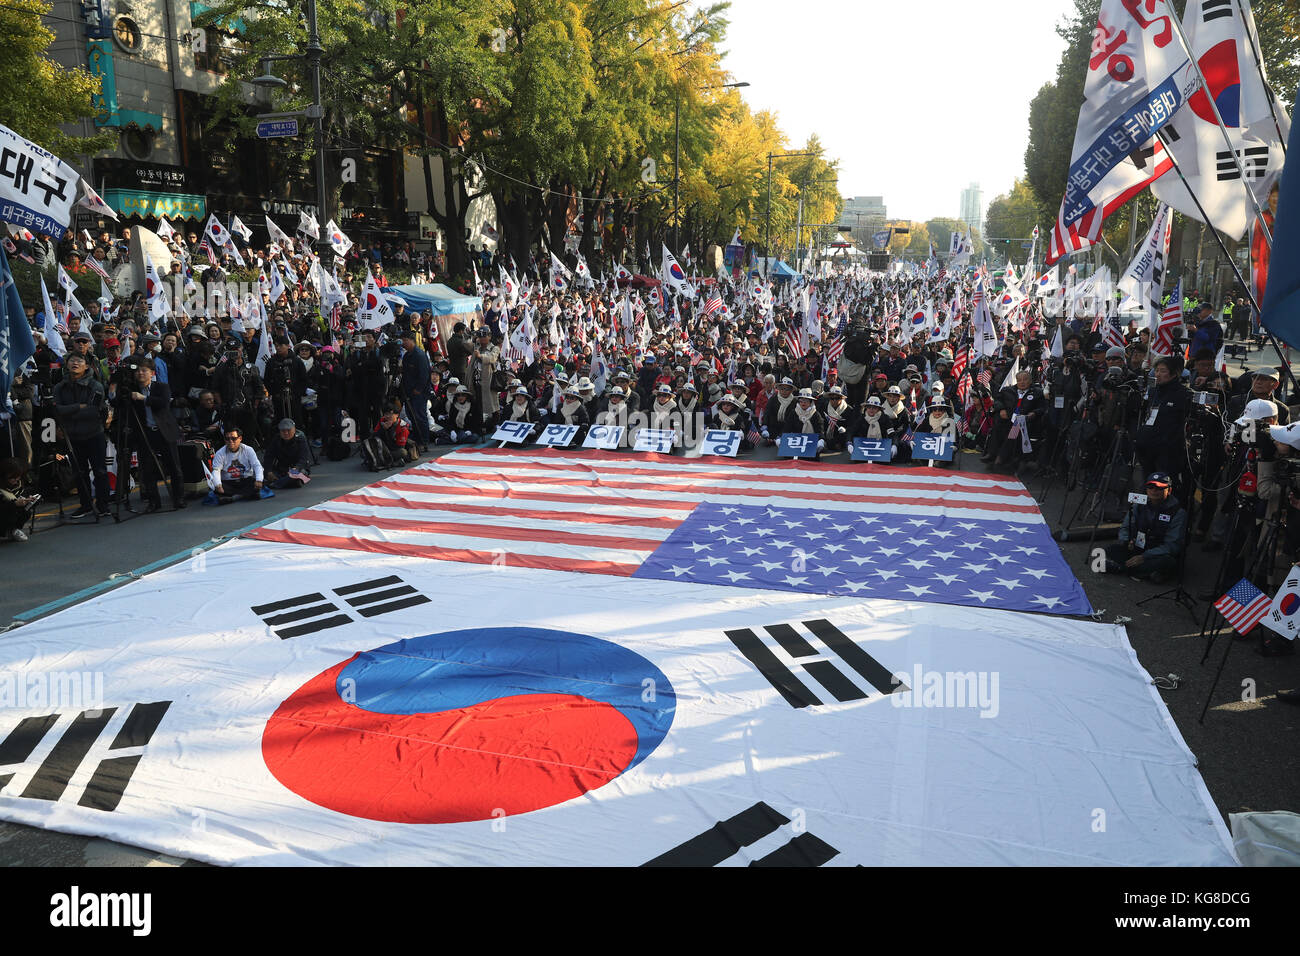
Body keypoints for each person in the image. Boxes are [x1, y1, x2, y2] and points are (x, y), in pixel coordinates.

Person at [119, 359, 186, 512]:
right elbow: (119, 403)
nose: (140, 373)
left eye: (144, 370)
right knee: (147, 469)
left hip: (164, 431)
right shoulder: (132, 390)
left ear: (152, 373)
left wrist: (144, 398)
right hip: (145, 432)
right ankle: (154, 502)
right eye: (138, 371)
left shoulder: (161, 387)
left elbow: (162, 403)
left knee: (174, 466)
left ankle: (179, 498)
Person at [52, 353, 112, 519]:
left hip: (94, 434)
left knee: (100, 471)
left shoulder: (95, 385)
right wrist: (79, 406)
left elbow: (93, 411)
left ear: (86, 366)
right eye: (72, 360)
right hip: (73, 437)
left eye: (79, 361)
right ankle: (85, 505)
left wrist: (69, 411)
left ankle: (103, 504)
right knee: (79, 472)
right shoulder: (59, 387)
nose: (75, 363)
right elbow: (57, 410)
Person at [1104, 473, 1187, 584]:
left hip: (1157, 553)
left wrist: (1144, 557)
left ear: (1169, 490)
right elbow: (1125, 527)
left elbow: (1172, 545)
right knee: (1111, 549)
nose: (1154, 490)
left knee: (1168, 562)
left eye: (1159, 487)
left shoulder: (1178, 512)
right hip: (1137, 548)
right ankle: (1145, 572)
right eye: (1151, 487)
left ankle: (1121, 568)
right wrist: (1127, 540)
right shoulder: (1138, 504)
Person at [210, 427, 264, 503]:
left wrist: (259, 480)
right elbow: (216, 470)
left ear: (240, 438)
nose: (230, 441)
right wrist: (218, 484)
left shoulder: (248, 450)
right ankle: (243, 495)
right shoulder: (220, 453)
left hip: (245, 481)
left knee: (257, 484)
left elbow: (257, 465)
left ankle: (233, 498)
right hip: (228, 483)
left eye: (233, 438)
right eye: (227, 439)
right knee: (215, 488)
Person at [400, 328, 432, 449]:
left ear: (412, 340)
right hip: (408, 391)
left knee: (420, 416)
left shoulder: (419, 355)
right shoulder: (407, 356)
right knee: (411, 415)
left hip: (419, 392)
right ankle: (417, 438)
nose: (403, 343)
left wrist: (418, 389)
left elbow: (424, 375)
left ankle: (424, 440)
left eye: (405, 340)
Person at [264, 419, 313, 489]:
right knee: (263, 471)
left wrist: (296, 468)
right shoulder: (276, 438)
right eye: (283, 431)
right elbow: (268, 456)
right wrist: (269, 471)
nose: (286, 433)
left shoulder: (300, 438)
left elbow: (304, 458)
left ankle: (276, 484)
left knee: (297, 475)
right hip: (282, 468)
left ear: (294, 429)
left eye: (288, 430)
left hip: (298, 468)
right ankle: (289, 482)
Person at [0, 457, 37, 542]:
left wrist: (27, 500)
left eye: (18, 477)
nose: (16, 480)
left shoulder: (17, 484)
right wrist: (15, 504)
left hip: (9, 510)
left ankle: (12, 530)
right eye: (13, 477)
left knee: (26, 511)